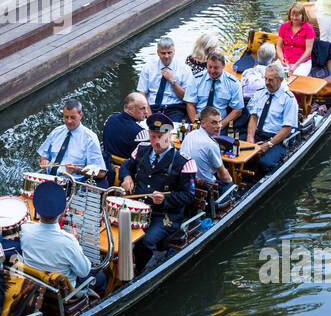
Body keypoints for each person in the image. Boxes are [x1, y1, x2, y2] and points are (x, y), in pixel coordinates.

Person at [119, 113, 197, 273]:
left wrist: (165, 200)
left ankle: (136, 273)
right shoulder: (141, 150)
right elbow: (126, 166)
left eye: (161, 137)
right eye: (153, 136)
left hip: (164, 215)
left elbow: (189, 195)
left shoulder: (185, 162)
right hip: (137, 208)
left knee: (146, 242)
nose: (156, 142)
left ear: (170, 136)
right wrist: (126, 177)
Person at [20, 180, 93, 287]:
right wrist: (76, 243)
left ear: (36, 209)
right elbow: (84, 271)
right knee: (101, 278)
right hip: (61, 296)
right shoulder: (69, 242)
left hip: (32, 289)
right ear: (63, 210)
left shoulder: (25, 230)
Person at [244, 64, 299, 174]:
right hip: (258, 134)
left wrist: (268, 145)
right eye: (266, 79)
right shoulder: (260, 93)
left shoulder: (288, 99)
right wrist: (250, 139)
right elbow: (254, 117)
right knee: (233, 150)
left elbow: (287, 128)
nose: (267, 83)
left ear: (281, 80)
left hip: (276, 140)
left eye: (271, 80)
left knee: (264, 163)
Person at [182, 106, 235, 216]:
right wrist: (232, 182)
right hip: (206, 188)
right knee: (232, 185)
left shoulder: (190, 135)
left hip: (187, 182)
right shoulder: (211, 145)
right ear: (203, 124)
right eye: (214, 123)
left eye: (220, 122)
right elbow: (224, 177)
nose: (219, 126)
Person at [37, 98, 103, 181]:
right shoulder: (56, 132)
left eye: (72, 117)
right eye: (66, 117)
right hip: (49, 180)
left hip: (72, 185)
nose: (69, 121)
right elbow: (44, 155)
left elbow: (101, 172)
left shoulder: (90, 138)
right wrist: (44, 161)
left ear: (81, 115)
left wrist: (78, 170)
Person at [184, 51, 245, 131]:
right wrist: (197, 125)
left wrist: (220, 125)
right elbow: (190, 104)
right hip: (199, 122)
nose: (212, 71)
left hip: (220, 125)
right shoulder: (197, 79)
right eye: (210, 67)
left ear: (223, 66)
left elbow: (237, 110)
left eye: (216, 68)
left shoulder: (233, 83)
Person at [136, 36, 189, 122]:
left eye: (169, 53)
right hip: (152, 107)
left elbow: (186, 97)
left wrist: (172, 81)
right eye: (163, 53)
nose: (166, 56)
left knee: (169, 130)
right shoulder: (148, 67)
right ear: (158, 52)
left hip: (174, 107)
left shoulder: (184, 69)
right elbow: (142, 93)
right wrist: (148, 115)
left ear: (174, 51)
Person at [101, 91, 149, 181]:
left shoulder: (111, 118)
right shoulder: (140, 133)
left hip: (106, 165)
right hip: (126, 174)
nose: (146, 112)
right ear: (130, 109)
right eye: (142, 109)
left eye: (146, 108)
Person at [278, 1, 317, 77]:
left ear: (303, 15)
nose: (294, 18)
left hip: (302, 63)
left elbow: (308, 50)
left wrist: (295, 65)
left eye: (297, 15)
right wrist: (282, 59)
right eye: (293, 15)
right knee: (275, 76)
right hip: (286, 60)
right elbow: (279, 46)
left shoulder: (308, 28)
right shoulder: (284, 26)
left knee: (295, 79)